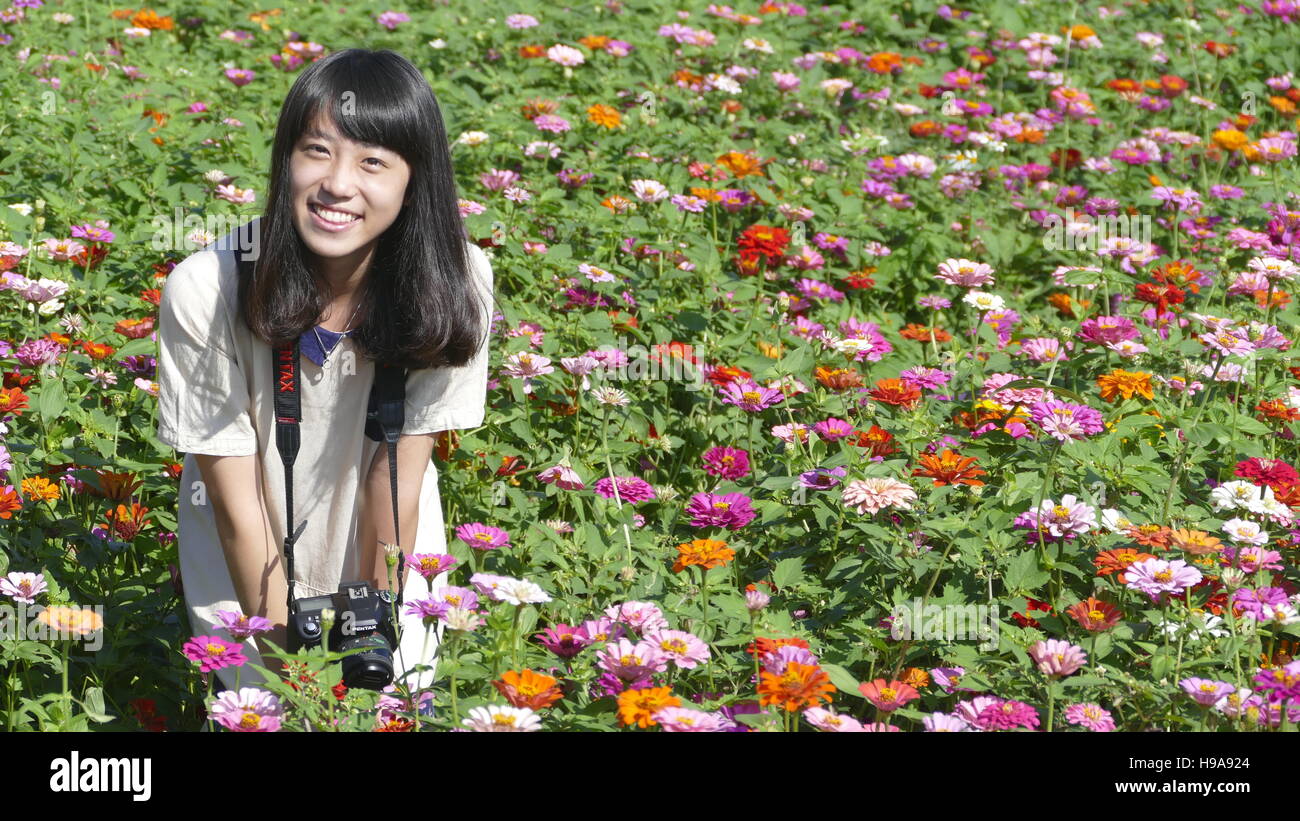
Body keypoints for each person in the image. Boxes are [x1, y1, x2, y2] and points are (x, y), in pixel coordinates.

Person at [155, 48, 495, 696]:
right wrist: (293, 663)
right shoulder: (210, 288)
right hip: (247, 563)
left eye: (372, 161)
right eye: (317, 150)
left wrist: (375, 631)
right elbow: (236, 504)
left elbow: (394, 477)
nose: (339, 183)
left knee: (382, 700)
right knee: (266, 708)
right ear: (285, 160)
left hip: (387, 550)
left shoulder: (453, 284)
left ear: (414, 178)